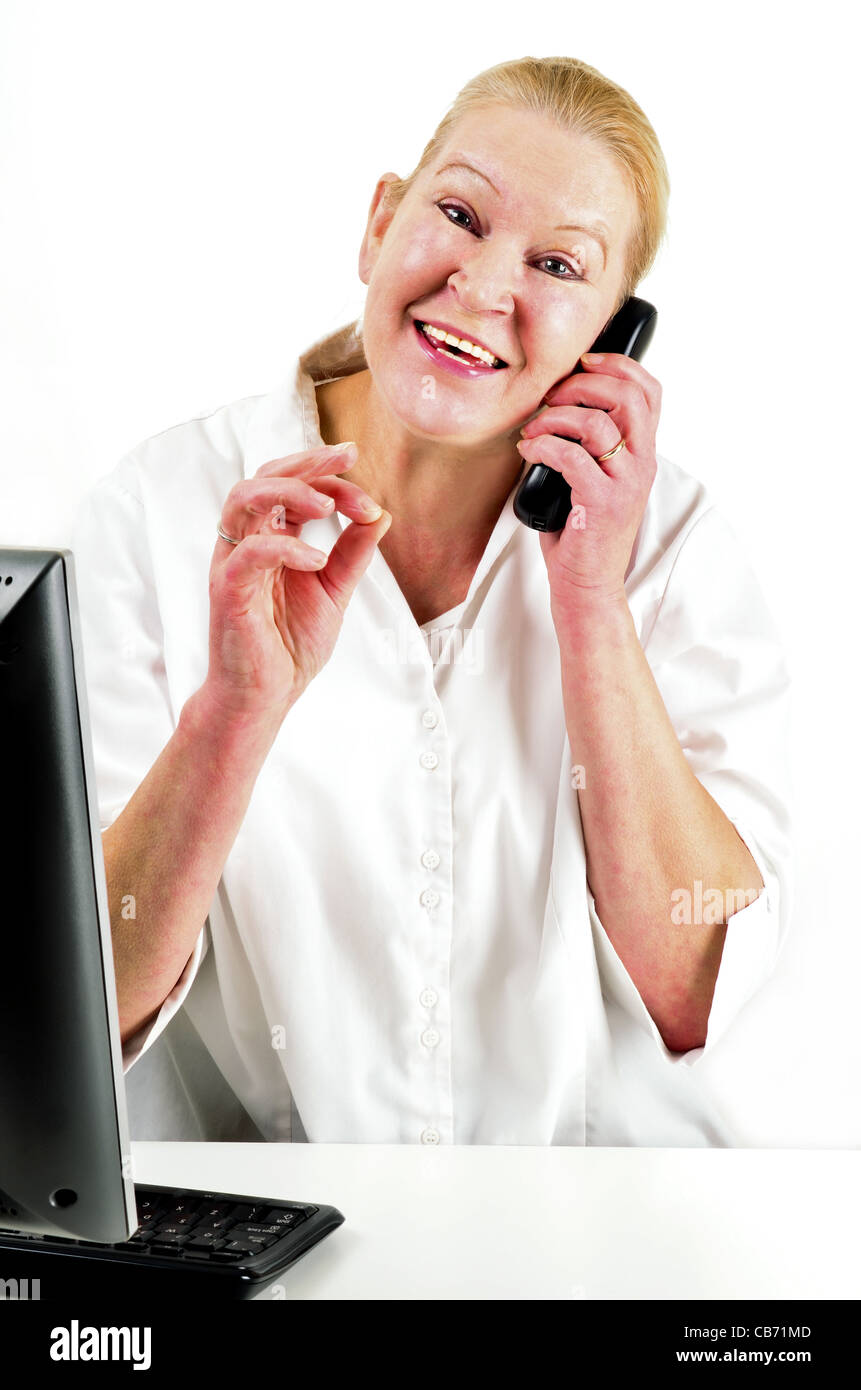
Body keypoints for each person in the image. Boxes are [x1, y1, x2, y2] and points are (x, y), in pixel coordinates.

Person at [71, 55, 793, 1147]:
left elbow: (696, 988)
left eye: (558, 263)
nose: (484, 286)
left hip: (611, 1235)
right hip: (289, 1232)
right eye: (459, 213)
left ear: (609, 336)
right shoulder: (159, 510)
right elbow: (88, 1001)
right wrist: (235, 710)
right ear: (377, 224)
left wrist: (591, 601)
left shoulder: (676, 543)